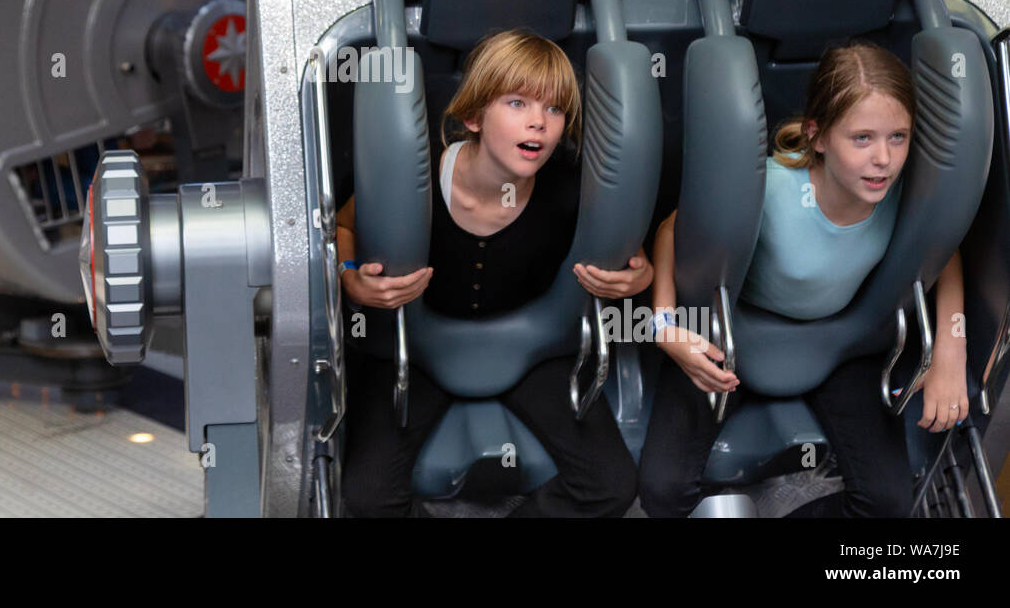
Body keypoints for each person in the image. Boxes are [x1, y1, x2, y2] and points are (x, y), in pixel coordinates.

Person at [638, 41, 969, 518]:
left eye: (898, 137)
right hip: (734, 335)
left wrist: (950, 351)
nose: (884, 159)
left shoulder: (901, 192)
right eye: (862, 138)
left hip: (840, 342)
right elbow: (673, 228)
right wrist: (664, 326)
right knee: (662, 490)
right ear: (817, 136)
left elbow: (945, 249)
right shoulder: (770, 188)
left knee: (888, 503)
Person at [336, 29, 652, 517]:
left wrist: (641, 276)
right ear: (474, 116)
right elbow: (344, 225)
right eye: (517, 103)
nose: (539, 123)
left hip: (532, 347)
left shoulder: (571, 188)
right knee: (368, 496)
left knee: (610, 485)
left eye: (554, 109)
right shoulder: (414, 179)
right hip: (416, 347)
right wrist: (350, 273)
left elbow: (636, 253)